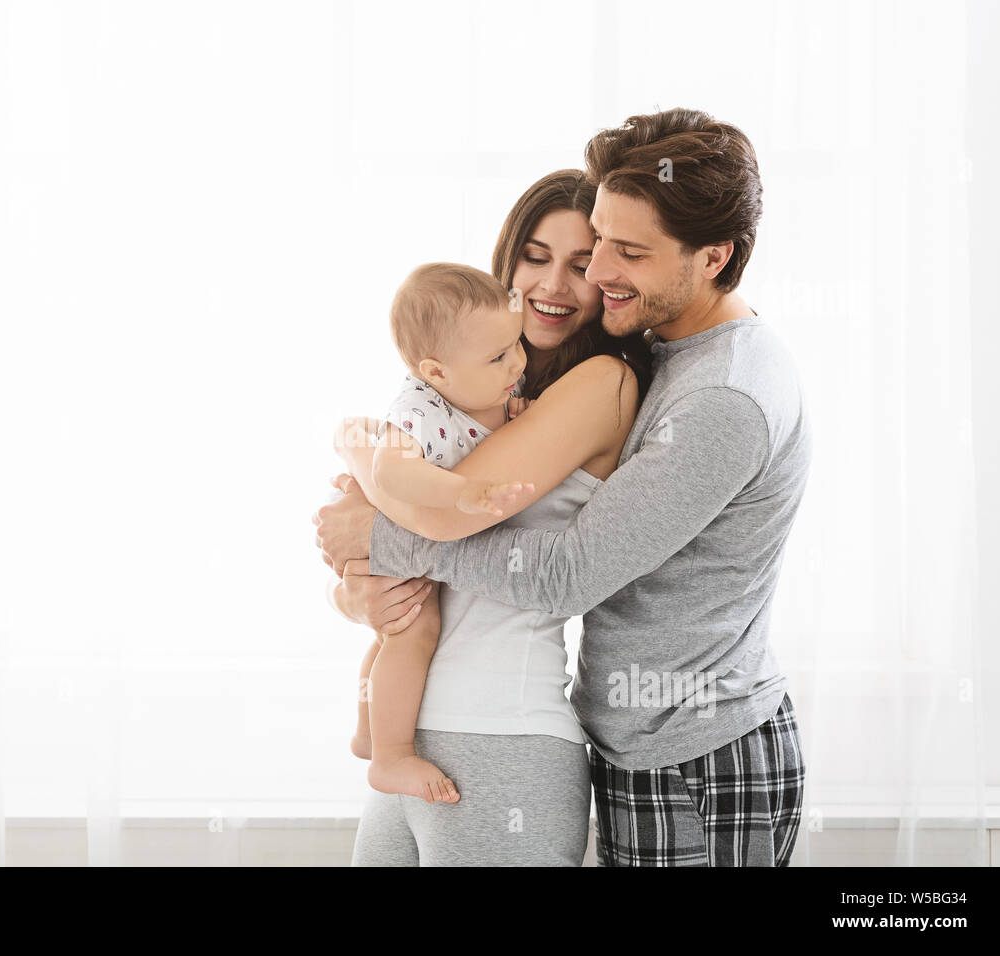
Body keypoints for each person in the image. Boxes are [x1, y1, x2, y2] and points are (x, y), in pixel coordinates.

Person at [318, 108, 812, 867]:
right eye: (591, 247)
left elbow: (561, 573)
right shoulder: (627, 353)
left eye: (617, 254)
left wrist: (373, 529)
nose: (596, 273)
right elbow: (421, 530)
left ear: (712, 257)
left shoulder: (699, 391)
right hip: (607, 737)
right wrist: (359, 588)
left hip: (689, 753)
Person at [324, 169, 652, 865]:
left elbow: (433, 521)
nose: (554, 285)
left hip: (504, 736)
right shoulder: (473, 388)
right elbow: (387, 515)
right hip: (408, 740)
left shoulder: (601, 383)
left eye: (581, 264)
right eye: (535, 257)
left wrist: (365, 481)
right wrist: (354, 591)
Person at [344, 261, 536, 805]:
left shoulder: (483, 394)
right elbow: (389, 470)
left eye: (516, 345)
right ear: (437, 373)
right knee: (414, 628)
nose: (516, 362)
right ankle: (391, 755)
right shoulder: (418, 408)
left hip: (399, 539)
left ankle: (367, 728)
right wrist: (460, 493)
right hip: (394, 534)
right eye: (498, 357)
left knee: (389, 636)